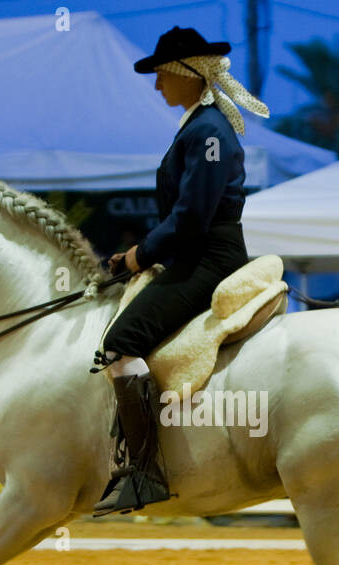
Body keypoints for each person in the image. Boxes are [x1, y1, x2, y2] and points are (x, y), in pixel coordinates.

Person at [92, 26, 270, 515]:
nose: (157, 86)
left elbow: (191, 217)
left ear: (186, 74)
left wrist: (138, 256)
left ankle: (146, 472)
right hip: (196, 255)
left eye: (162, 76)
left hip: (207, 260)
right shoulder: (199, 127)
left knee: (119, 342)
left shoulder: (208, 133)